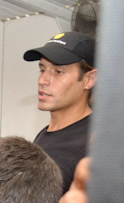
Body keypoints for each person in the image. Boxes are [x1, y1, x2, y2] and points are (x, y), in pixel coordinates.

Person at [24, 31, 97, 192]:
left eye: (58, 72)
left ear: (89, 79)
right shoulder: (44, 135)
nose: (43, 81)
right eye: (42, 70)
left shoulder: (94, 144)